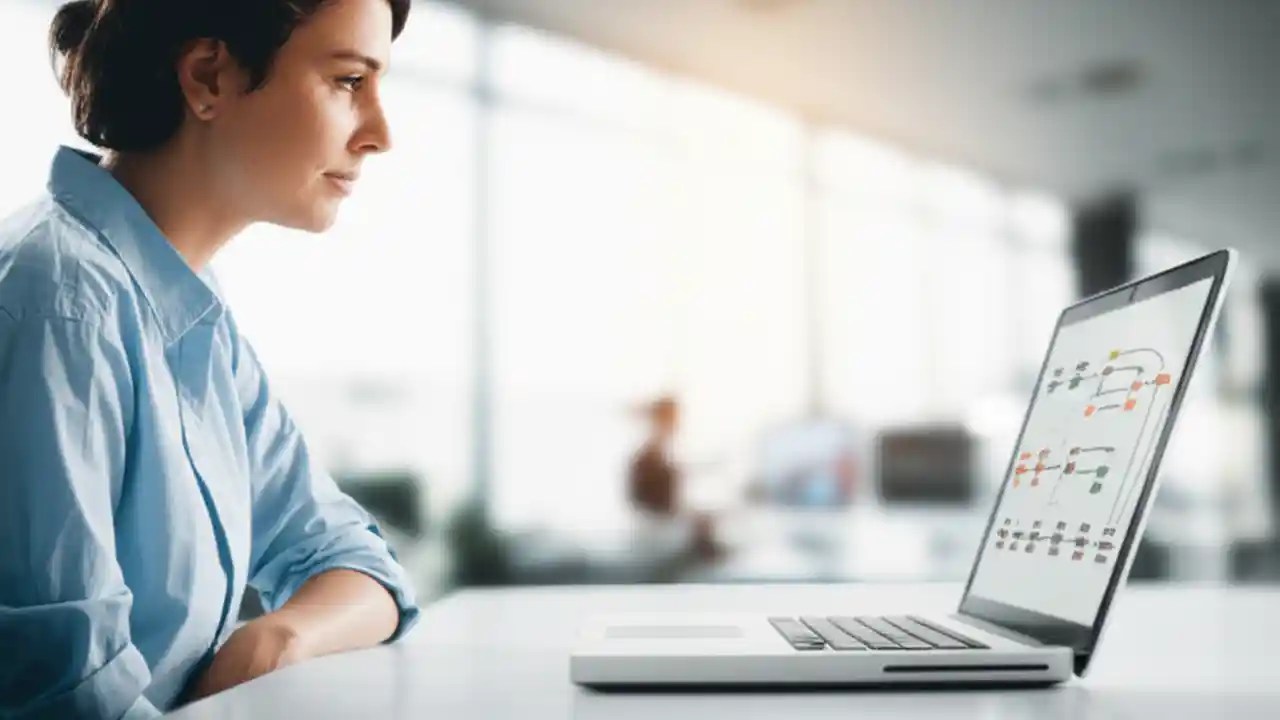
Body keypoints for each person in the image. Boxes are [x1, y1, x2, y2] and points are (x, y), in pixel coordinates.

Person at [0, 1, 419, 717]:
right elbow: (69, 700)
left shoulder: (187, 312)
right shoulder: (60, 308)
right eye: (349, 81)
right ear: (207, 78)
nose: (380, 133)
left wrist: (274, 641)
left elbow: (359, 565)